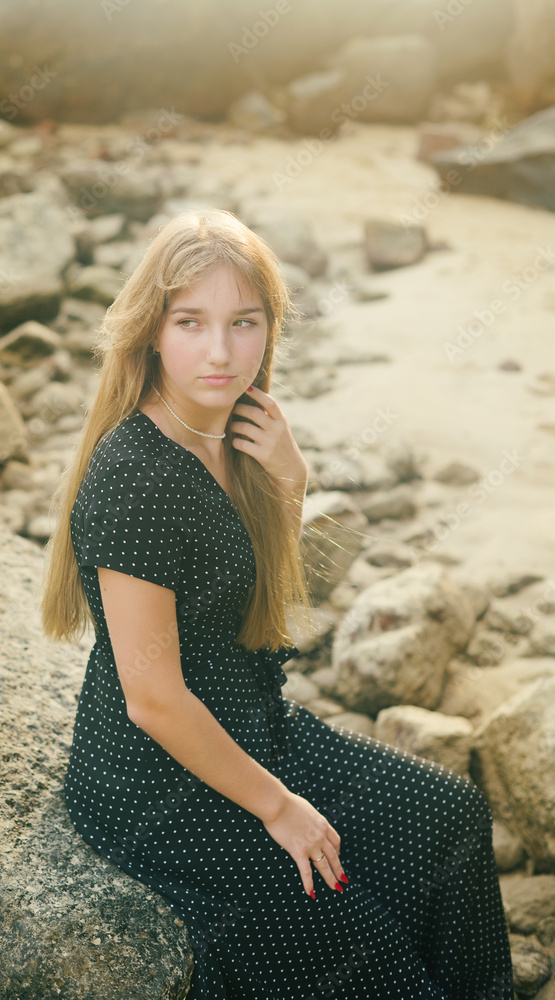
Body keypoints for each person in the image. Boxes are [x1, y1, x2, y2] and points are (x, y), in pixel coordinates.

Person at [40, 209, 515, 999]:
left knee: (450, 823)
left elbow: (257, 607)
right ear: (152, 331)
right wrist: (281, 807)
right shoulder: (139, 479)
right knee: (371, 963)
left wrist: (287, 486)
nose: (220, 351)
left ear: (270, 329)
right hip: (159, 785)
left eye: (243, 323)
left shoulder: (237, 434)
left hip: (255, 726)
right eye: (190, 322)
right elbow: (153, 699)